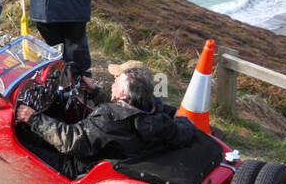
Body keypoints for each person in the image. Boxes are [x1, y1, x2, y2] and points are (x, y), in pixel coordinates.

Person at [14, 64, 195, 178]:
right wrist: (96, 93)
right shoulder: (158, 118)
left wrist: (33, 118)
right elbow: (127, 117)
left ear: (124, 95)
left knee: (23, 141)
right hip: (116, 158)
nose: (113, 83)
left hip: (78, 165)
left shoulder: (108, 118)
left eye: (117, 81)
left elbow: (70, 141)